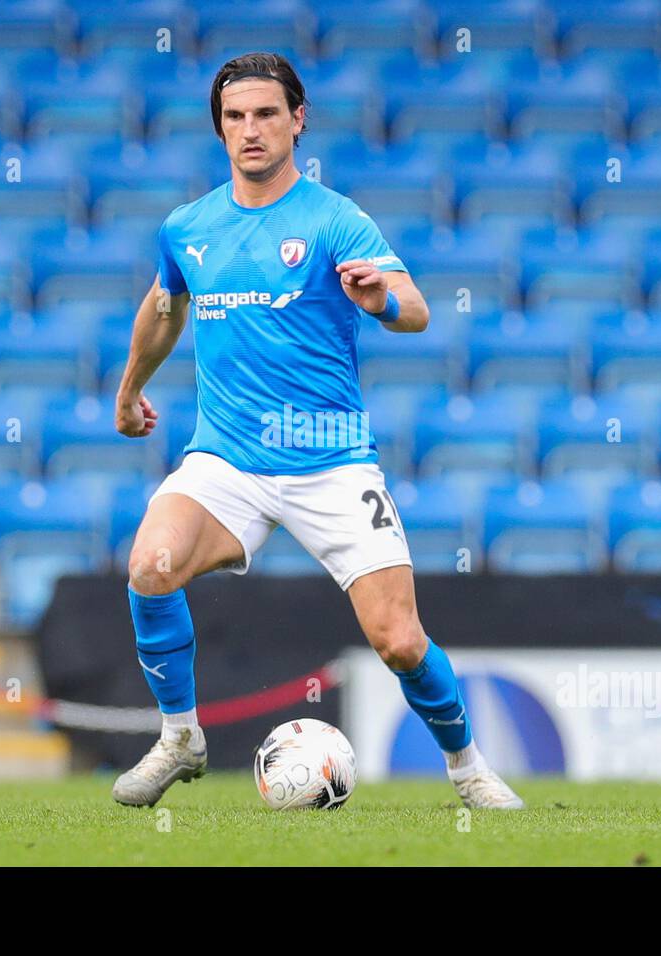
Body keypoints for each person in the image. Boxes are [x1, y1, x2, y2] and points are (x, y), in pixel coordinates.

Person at [111, 52, 523, 810]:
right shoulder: (189, 227)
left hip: (330, 460)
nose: (250, 131)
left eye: (266, 114)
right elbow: (165, 306)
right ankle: (179, 737)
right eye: (234, 118)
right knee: (150, 564)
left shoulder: (334, 218)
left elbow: (415, 306)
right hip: (228, 457)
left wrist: (379, 301)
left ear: (298, 119)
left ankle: (467, 767)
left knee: (399, 639)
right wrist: (131, 388)